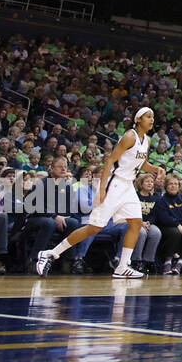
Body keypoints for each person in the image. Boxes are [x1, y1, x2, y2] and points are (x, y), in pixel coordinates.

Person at [37, 108, 164, 279]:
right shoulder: (129, 136)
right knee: (94, 228)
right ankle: (50, 253)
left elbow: (141, 163)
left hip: (128, 186)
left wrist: (155, 168)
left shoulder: (147, 140)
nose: (152, 120)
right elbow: (110, 160)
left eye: (153, 117)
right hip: (115, 184)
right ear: (138, 119)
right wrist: (102, 189)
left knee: (136, 223)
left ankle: (122, 266)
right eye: (148, 116)